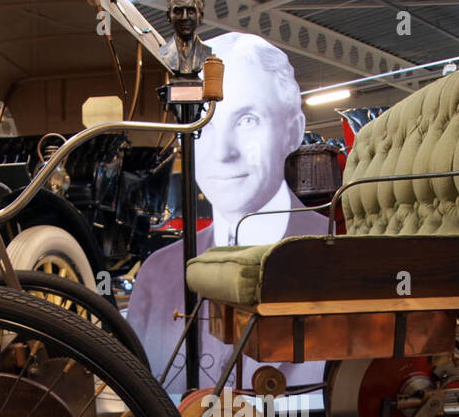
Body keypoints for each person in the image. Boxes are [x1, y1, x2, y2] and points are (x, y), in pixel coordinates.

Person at [127, 32, 329, 390]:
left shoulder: (342, 256)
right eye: (203, 123)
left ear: (292, 132)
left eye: (247, 120)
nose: (223, 152)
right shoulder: (156, 276)